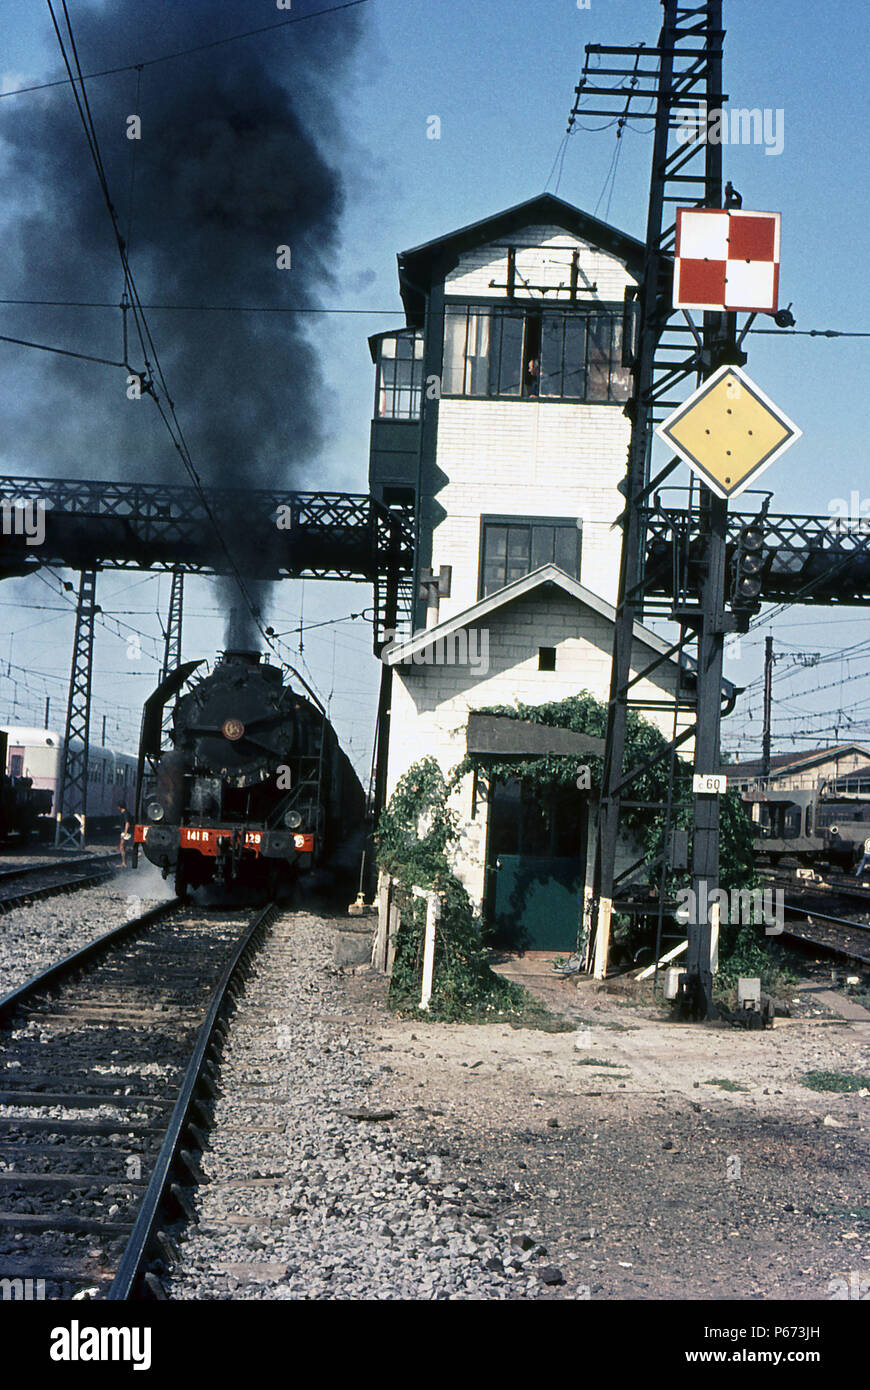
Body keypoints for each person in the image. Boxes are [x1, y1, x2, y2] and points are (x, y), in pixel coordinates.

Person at [118, 802, 134, 868]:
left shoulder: (125, 813)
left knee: (122, 847)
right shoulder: (126, 813)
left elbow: (127, 823)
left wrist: (125, 833)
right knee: (124, 847)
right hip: (126, 832)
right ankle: (124, 862)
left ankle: (124, 863)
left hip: (126, 833)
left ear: (119, 807)